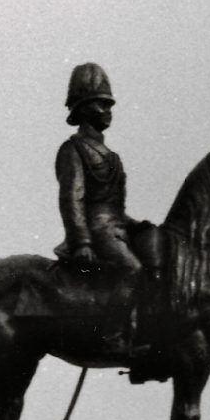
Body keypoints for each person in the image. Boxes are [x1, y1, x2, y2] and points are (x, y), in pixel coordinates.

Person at [55, 62, 143, 278]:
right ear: (83, 108)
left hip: (118, 229)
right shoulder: (74, 149)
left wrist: (137, 225)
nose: (108, 111)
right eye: (101, 104)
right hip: (96, 232)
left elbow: (115, 207)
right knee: (133, 270)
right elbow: (72, 199)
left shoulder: (113, 157)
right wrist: (81, 242)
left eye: (109, 105)